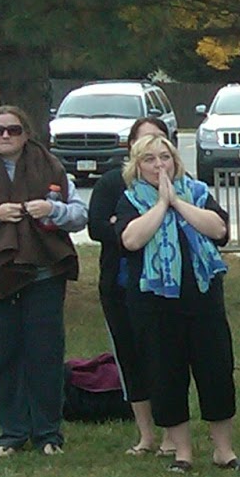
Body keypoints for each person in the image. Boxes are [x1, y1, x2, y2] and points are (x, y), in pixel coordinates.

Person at [112, 132, 240, 474]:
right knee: (165, 375)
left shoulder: (197, 192)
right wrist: (160, 205)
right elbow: (131, 239)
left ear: (175, 161)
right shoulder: (131, 200)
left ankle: (224, 451)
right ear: (137, 167)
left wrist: (176, 202)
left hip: (202, 299)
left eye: (165, 157)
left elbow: (218, 229)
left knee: (216, 371)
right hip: (154, 304)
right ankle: (182, 453)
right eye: (149, 159)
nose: (159, 165)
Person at [0, 106, 87, 457]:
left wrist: (53, 210)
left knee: (45, 353)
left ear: (26, 133)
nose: (5, 136)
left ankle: (48, 433)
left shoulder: (52, 168)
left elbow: (80, 215)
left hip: (44, 273)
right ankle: (12, 433)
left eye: (13, 130)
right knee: (2, 354)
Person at [87, 116, 172, 455]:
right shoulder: (112, 183)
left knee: (164, 358)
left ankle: (171, 433)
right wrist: (127, 230)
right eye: (145, 142)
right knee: (130, 356)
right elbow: (98, 227)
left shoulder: (181, 185)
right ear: (131, 148)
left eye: (160, 141)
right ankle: (146, 434)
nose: (154, 152)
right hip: (120, 284)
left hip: (165, 287)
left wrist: (130, 224)